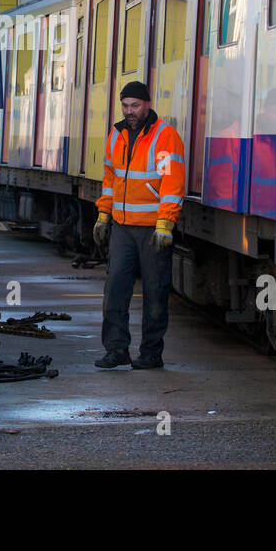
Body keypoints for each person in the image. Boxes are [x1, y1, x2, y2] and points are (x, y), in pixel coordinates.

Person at [93, 81, 186, 370]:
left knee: (155, 291)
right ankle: (116, 350)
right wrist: (103, 215)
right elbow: (110, 179)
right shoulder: (116, 135)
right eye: (125, 105)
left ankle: (150, 353)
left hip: (152, 228)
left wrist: (165, 223)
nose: (129, 111)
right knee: (115, 288)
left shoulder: (165, 136)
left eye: (135, 105)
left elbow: (173, 183)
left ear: (147, 104)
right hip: (121, 226)